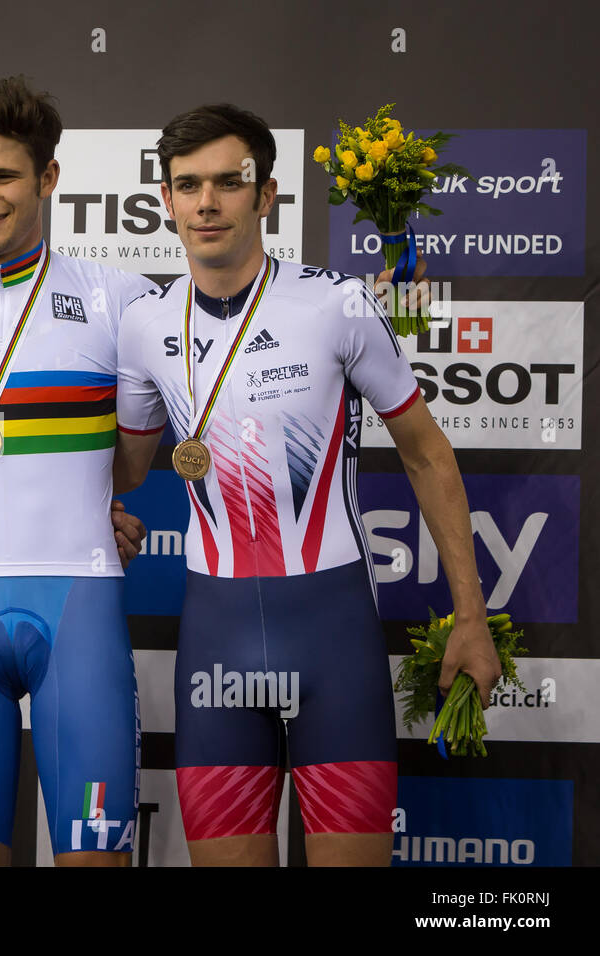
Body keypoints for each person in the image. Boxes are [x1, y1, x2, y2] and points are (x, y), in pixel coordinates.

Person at [112, 103, 501, 866]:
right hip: (216, 645)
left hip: (335, 641)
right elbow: (121, 471)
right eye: (187, 185)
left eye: (230, 182)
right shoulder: (141, 325)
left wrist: (471, 616)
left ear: (267, 196)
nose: (207, 203)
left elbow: (426, 455)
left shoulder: (339, 305)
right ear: (165, 200)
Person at [0, 76, 153, 866]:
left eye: (3, 176)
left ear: (46, 177)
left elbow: (153, 447)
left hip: (78, 603)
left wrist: (98, 499)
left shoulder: (119, 296)